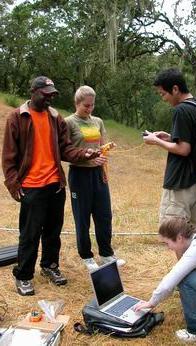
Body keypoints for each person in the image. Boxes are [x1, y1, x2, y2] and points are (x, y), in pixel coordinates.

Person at [1, 76, 99, 296]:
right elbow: (8, 157)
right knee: (29, 233)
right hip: (31, 186)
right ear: (33, 92)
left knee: (53, 232)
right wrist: (13, 183)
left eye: (52, 96)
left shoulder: (56, 118)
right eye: (45, 95)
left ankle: (50, 266)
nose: (49, 99)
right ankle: (24, 275)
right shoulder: (17, 117)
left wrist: (84, 153)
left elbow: (66, 149)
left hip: (55, 184)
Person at [65, 85, 125, 272]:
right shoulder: (68, 122)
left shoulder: (98, 121)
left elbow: (101, 145)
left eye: (92, 105)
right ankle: (86, 255)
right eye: (86, 106)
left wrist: (106, 148)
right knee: (82, 217)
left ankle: (106, 254)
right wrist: (87, 156)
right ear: (77, 103)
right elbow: (65, 152)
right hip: (79, 175)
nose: (89, 109)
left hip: (99, 174)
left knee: (104, 215)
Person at [143, 68, 196, 227]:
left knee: (175, 235)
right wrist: (170, 137)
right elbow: (192, 142)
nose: (163, 98)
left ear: (175, 89)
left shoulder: (181, 110)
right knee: (195, 234)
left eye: (163, 94)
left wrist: (155, 141)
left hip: (180, 183)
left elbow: (184, 149)